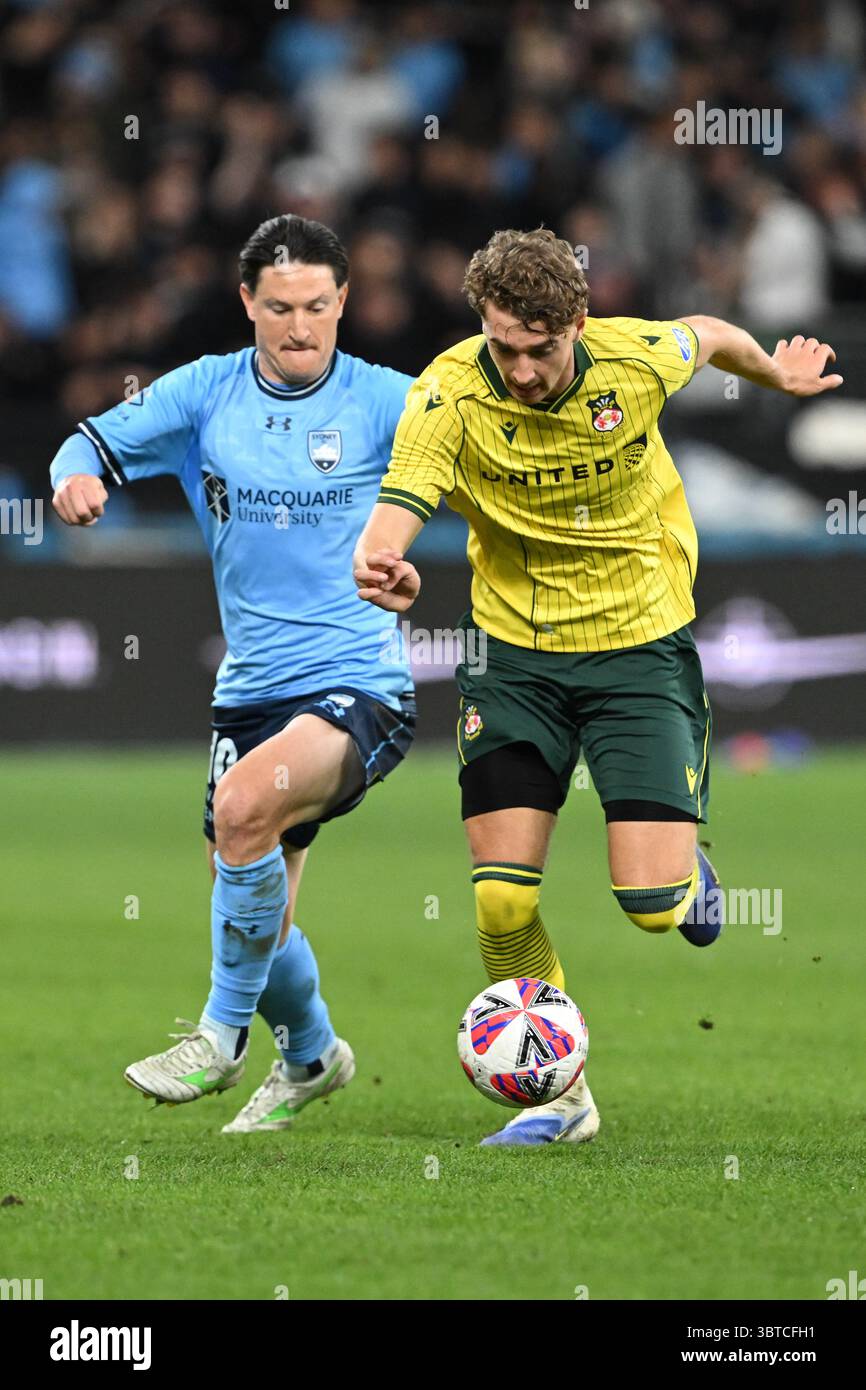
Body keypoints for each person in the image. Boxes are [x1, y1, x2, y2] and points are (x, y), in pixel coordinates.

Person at [353, 226, 842, 1148]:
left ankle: (685, 879)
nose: (524, 370)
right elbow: (394, 512)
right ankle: (561, 1097)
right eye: (506, 347)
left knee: (651, 909)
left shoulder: (635, 357)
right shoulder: (449, 392)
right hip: (515, 660)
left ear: (578, 322)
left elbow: (710, 331)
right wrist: (382, 564)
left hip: (638, 650)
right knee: (501, 899)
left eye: (542, 349)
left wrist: (775, 373)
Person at [50, 214, 416, 1133]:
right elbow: (87, 444)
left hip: (359, 681)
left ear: (345, 303)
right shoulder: (205, 395)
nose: (302, 327)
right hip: (249, 691)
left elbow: (491, 465)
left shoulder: (386, 401)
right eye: (282, 307)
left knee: (245, 810)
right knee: (251, 901)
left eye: (320, 307)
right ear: (247, 301)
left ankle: (218, 1037)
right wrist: (75, 480)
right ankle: (313, 1053)